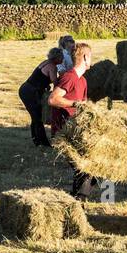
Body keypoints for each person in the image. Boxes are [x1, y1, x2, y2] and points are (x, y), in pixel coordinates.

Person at [48, 42, 97, 197]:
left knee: (88, 169)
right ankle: (78, 203)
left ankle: (75, 202)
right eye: (90, 56)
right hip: (64, 133)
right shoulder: (69, 77)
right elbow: (53, 99)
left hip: (76, 132)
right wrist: (74, 103)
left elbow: (82, 108)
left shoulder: (82, 81)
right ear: (85, 57)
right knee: (85, 170)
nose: (91, 60)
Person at [19, 46, 64, 148]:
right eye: (61, 57)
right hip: (30, 92)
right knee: (37, 118)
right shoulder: (52, 66)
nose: (63, 59)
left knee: (35, 117)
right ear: (57, 58)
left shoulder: (46, 62)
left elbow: (40, 78)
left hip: (26, 89)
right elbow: (56, 83)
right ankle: (43, 143)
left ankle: (37, 141)